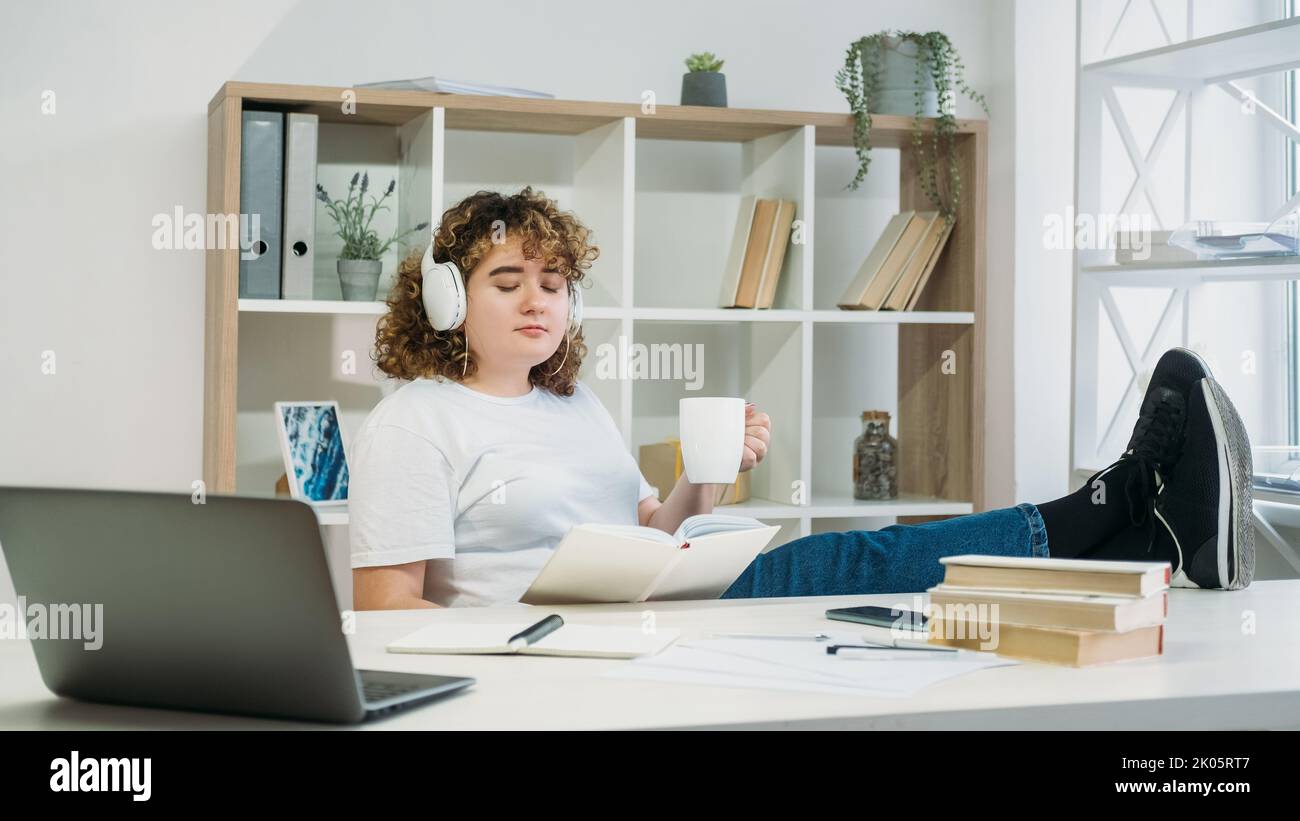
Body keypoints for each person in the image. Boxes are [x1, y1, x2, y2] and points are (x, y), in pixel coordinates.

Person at [349, 187, 1253, 610]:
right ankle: (1122, 504)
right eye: (508, 279)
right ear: (446, 300)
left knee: (864, 564)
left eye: (553, 280)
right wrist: (539, 641)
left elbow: (646, 534)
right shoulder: (416, 422)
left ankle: (1136, 531)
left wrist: (705, 484)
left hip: (658, 602)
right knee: (861, 564)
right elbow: (389, 611)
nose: (538, 298)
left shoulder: (573, 405)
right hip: (572, 646)